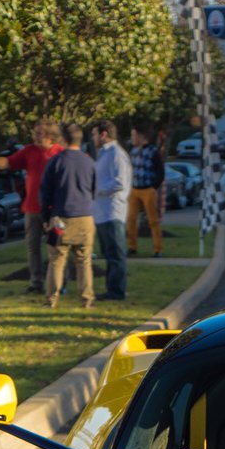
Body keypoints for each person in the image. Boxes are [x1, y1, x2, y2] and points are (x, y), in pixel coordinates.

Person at [0, 120, 63, 294]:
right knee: (33, 247)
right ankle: (36, 282)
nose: (35, 136)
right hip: (32, 208)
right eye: (34, 133)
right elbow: (8, 162)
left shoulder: (60, 153)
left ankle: (59, 284)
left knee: (57, 247)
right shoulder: (29, 151)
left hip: (53, 210)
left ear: (50, 135)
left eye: (39, 133)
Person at [39, 122, 97, 309]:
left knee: (57, 260)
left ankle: (51, 299)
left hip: (60, 217)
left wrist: (45, 217)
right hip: (85, 216)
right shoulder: (89, 162)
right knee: (84, 260)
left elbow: (45, 192)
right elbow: (94, 189)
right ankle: (87, 298)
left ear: (63, 139)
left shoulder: (56, 162)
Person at [93, 119, 132, 301]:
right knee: (109, 253)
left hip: (113, 210)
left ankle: (117, 291)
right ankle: (111, 288)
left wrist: (98, 190)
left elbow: (120, 182)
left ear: (103, 134)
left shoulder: (116, 154)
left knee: (116, 253)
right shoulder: (103, 154)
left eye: (94, 134)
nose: (93, 138)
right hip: (102, 211)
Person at [127, 125, 164, 257]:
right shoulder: (133, 151)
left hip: (148, 190)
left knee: (153, 220)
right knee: (131, 219)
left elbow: (160, 171)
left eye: (134, 135)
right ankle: (132, 247)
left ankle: (158, 249)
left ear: (141, 136)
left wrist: (154, 187)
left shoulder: (153, 151)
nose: (132, 138)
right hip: (134, 189)